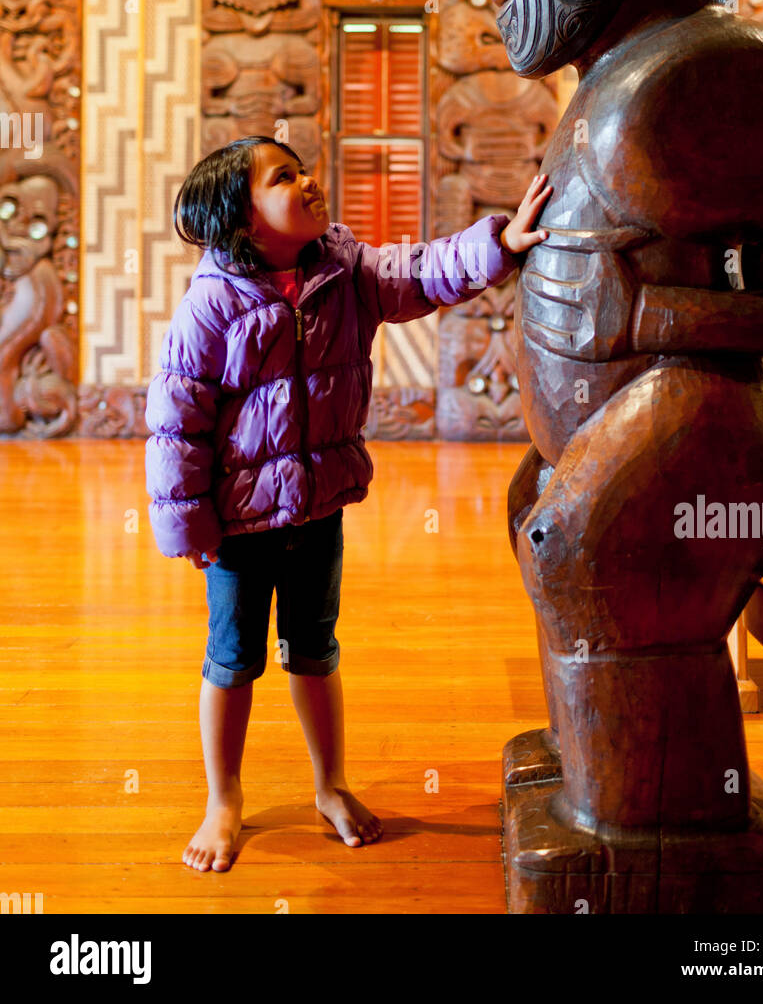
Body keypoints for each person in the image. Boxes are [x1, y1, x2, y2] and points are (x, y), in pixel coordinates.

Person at [145, 134, 551, 872]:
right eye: (283, 177)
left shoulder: (347, 270)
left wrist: (501, 244)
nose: (307, 183)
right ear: (242, 218)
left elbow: (424, 269)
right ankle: (224, 800)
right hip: (239, 522)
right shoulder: (209, 305)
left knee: (315, 649)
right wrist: (187, 523)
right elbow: (177, 421)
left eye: (302, 170)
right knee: (232, 659)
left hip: (319, 506)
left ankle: (330, 785)